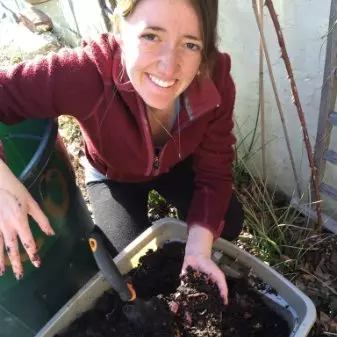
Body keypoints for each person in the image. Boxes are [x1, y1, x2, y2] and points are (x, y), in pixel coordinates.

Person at [0, 0, 244, 304]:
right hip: (112, 176)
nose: (169, 66)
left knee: (227, 222)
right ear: (120, 26)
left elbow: (215, 170)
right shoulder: (83, 74)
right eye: (151, 36)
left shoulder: (216, 78)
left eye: (191, 44)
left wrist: (197, 248)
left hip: (178, 163)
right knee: (132, 266)